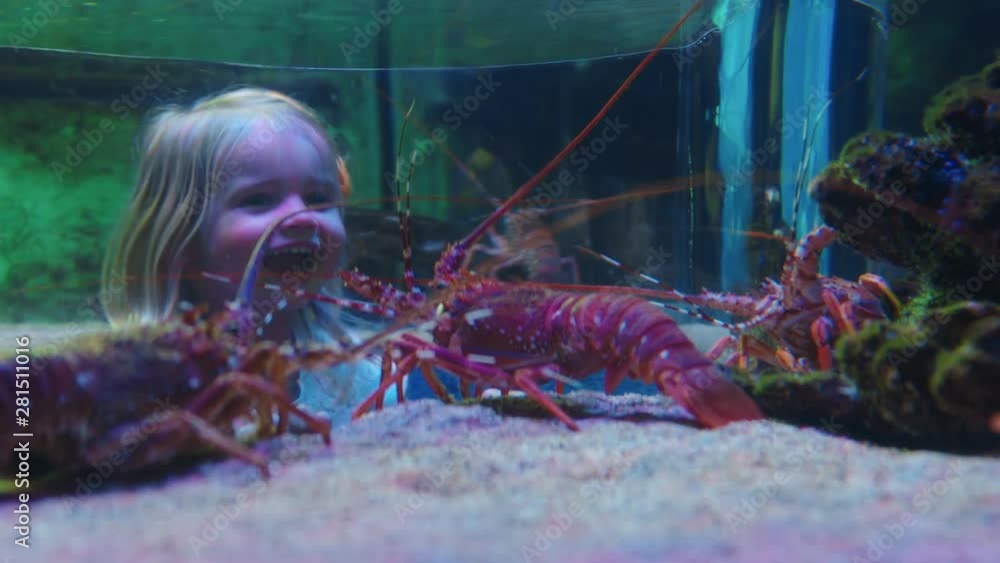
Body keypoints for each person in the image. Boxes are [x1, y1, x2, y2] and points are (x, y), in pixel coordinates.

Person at [99, 86, 402, 426]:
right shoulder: (134, 385)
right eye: (258, 199)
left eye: (318, 198)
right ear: (179, 237)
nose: (301, 217)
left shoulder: (365, 382)